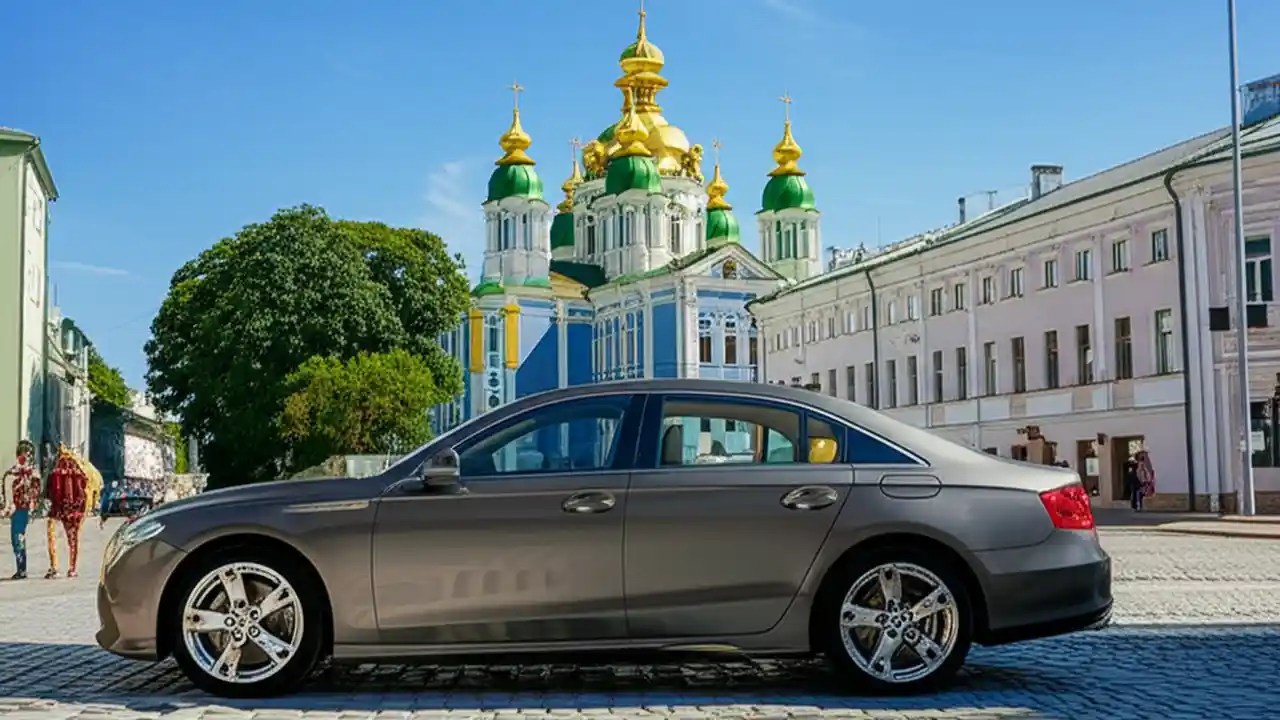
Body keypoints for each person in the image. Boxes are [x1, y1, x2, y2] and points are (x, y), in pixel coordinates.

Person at [44, 446, 88, 579]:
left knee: (52, 536)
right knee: (73, 539)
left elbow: (51, 490)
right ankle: (72, 568)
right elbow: (84, 487)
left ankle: (54, 567)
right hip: (74, 510)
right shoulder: (79, 470)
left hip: (57, 509)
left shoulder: (55, 470)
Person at [1, 440, 41, 579]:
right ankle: (21, 568)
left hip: (22, 509)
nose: (24, 457)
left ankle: (22, 569)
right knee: (16, 538)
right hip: (16, 508)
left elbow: (36, 491)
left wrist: (33, 505)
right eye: (22, 454)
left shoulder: (31, 473)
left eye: (27, 454)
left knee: (18, 537)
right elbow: (6, 485)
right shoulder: (15, 471)